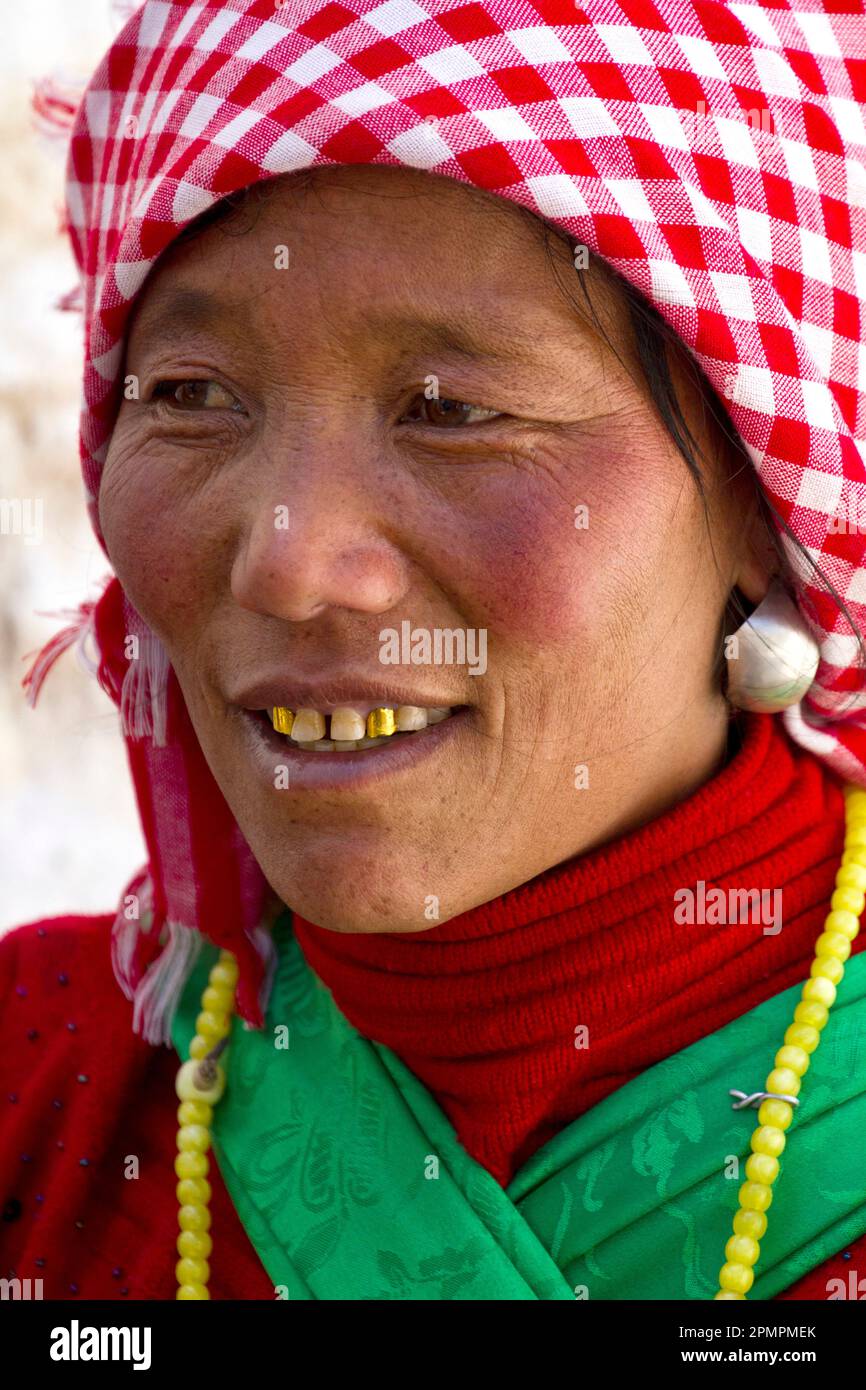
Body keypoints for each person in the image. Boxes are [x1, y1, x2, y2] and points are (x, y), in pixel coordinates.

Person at [2, 0, 865, 1301]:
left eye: (452, 411)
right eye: (189, 396)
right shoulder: (45, 1073)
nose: (286, 565)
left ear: (762, 501)